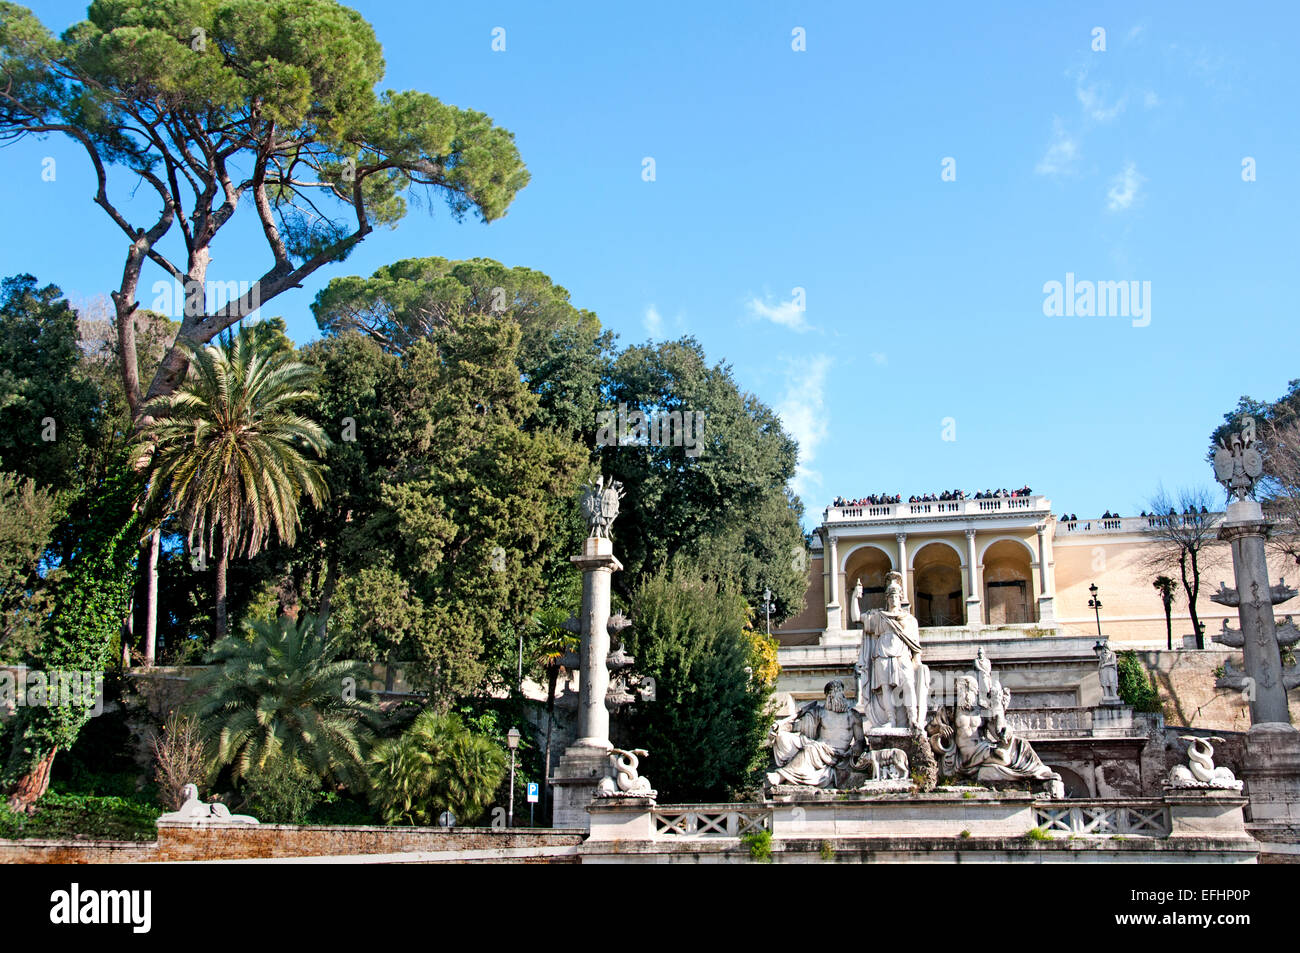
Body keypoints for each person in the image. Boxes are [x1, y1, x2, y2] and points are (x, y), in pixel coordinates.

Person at [768, 679, 864, 787]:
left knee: (810, 749)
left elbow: (860, 740)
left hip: (838, 754)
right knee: (783, 737)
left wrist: (855, 748)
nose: (835, 695)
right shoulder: (820, 712)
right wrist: (779, 729)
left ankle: (781, 776)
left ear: (843, 693)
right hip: (820, 746)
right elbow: (797, 726)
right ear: (827, 696)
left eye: (839, 691)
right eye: (832, 693)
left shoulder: (853, 716)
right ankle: (794, 776)